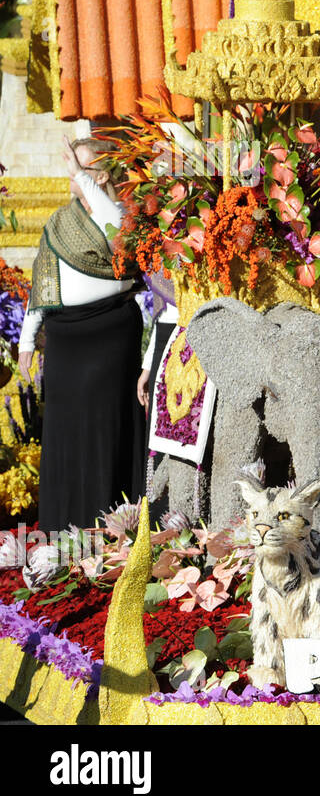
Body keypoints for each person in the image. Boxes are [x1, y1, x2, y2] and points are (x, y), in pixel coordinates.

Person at [17, 137, 144, 532]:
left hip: (111, 338)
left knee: (106, 431)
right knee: (67, 437)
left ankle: (110, 528)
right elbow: (43, 284)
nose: (72, 175)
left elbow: (116, 233)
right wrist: (27, 339)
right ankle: (63, 529)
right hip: (67, 342)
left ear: (102, 174)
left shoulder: (123, 215)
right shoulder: (59, 223)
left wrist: (84, 180)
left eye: (81, 168)